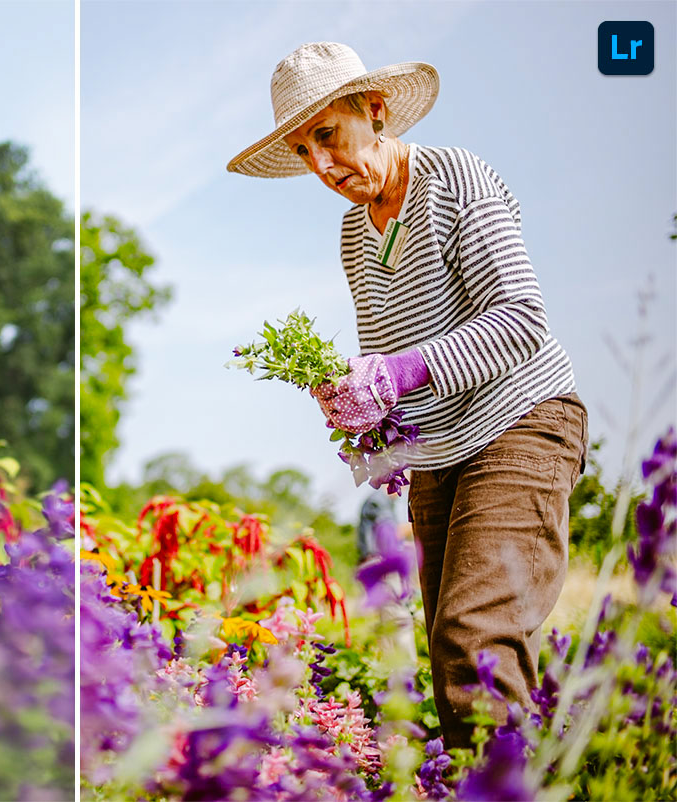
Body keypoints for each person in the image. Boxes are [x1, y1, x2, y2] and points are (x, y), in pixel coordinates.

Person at [227, 42, 587, 749]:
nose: (322, 167)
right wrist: (371, 415)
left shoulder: (456, 178)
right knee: (452, 653)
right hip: (441, 454)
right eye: (303, 152)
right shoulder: (355, 235)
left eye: (327, 136)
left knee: (475, 633)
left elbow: (520, 317)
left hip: (522, 423)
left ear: (377, 111)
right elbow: (388, 359)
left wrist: (398, 377)